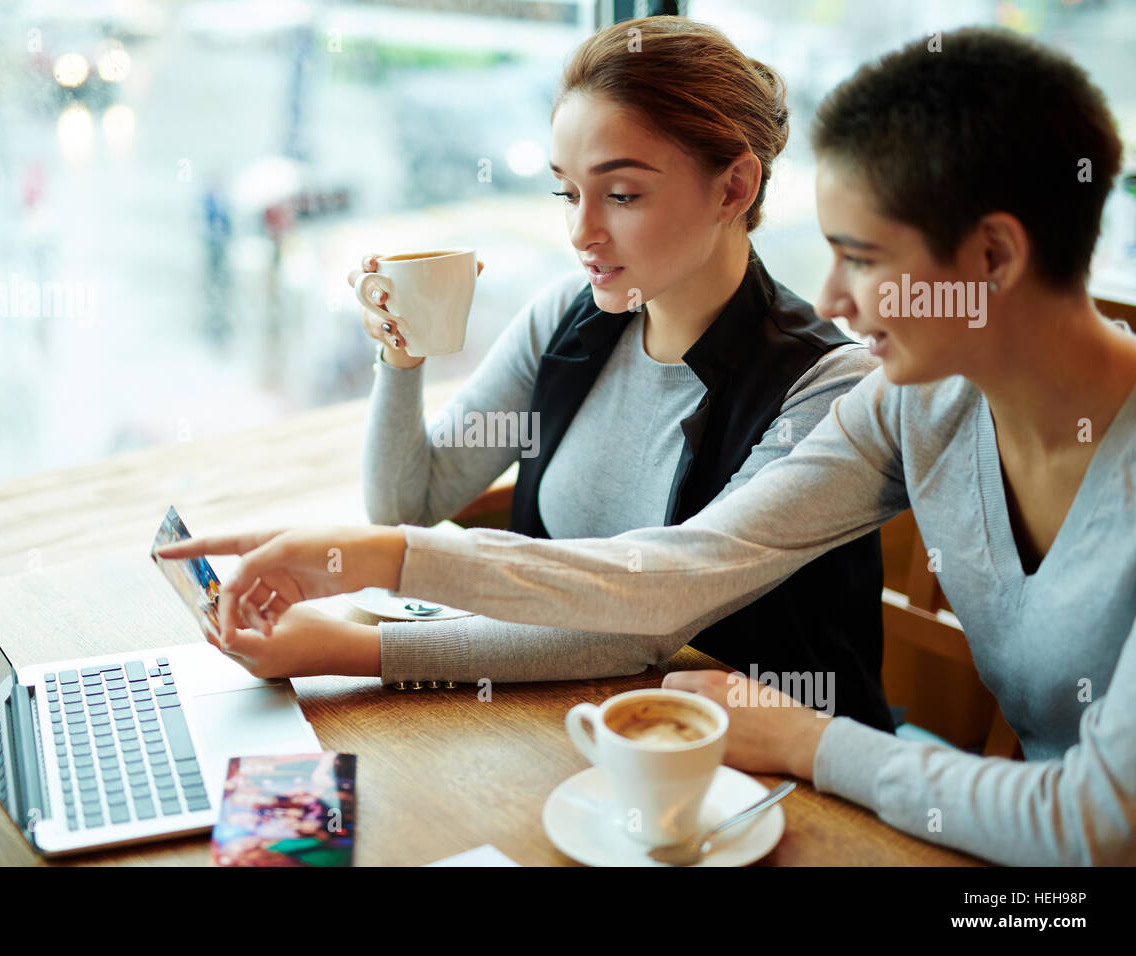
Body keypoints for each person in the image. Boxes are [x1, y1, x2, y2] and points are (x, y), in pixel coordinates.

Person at [159, 25, 1136, 866]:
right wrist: (362, 554)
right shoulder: (913, 404)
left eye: (863, 259)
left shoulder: (844, 381)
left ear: (994, 258)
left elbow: (1096, 822)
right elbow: (672, 575)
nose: (834, 299)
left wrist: (803, 736)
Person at [180, 18, 895, 729]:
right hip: (583, 730)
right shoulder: (570, 319)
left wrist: (357, 646)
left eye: (621, 195)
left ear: (734, 187)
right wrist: (401, 352)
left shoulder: (828, 388)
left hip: (781, 786)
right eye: (566, 192)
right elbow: (411, 500)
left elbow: (644, 619)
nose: (581, 233)